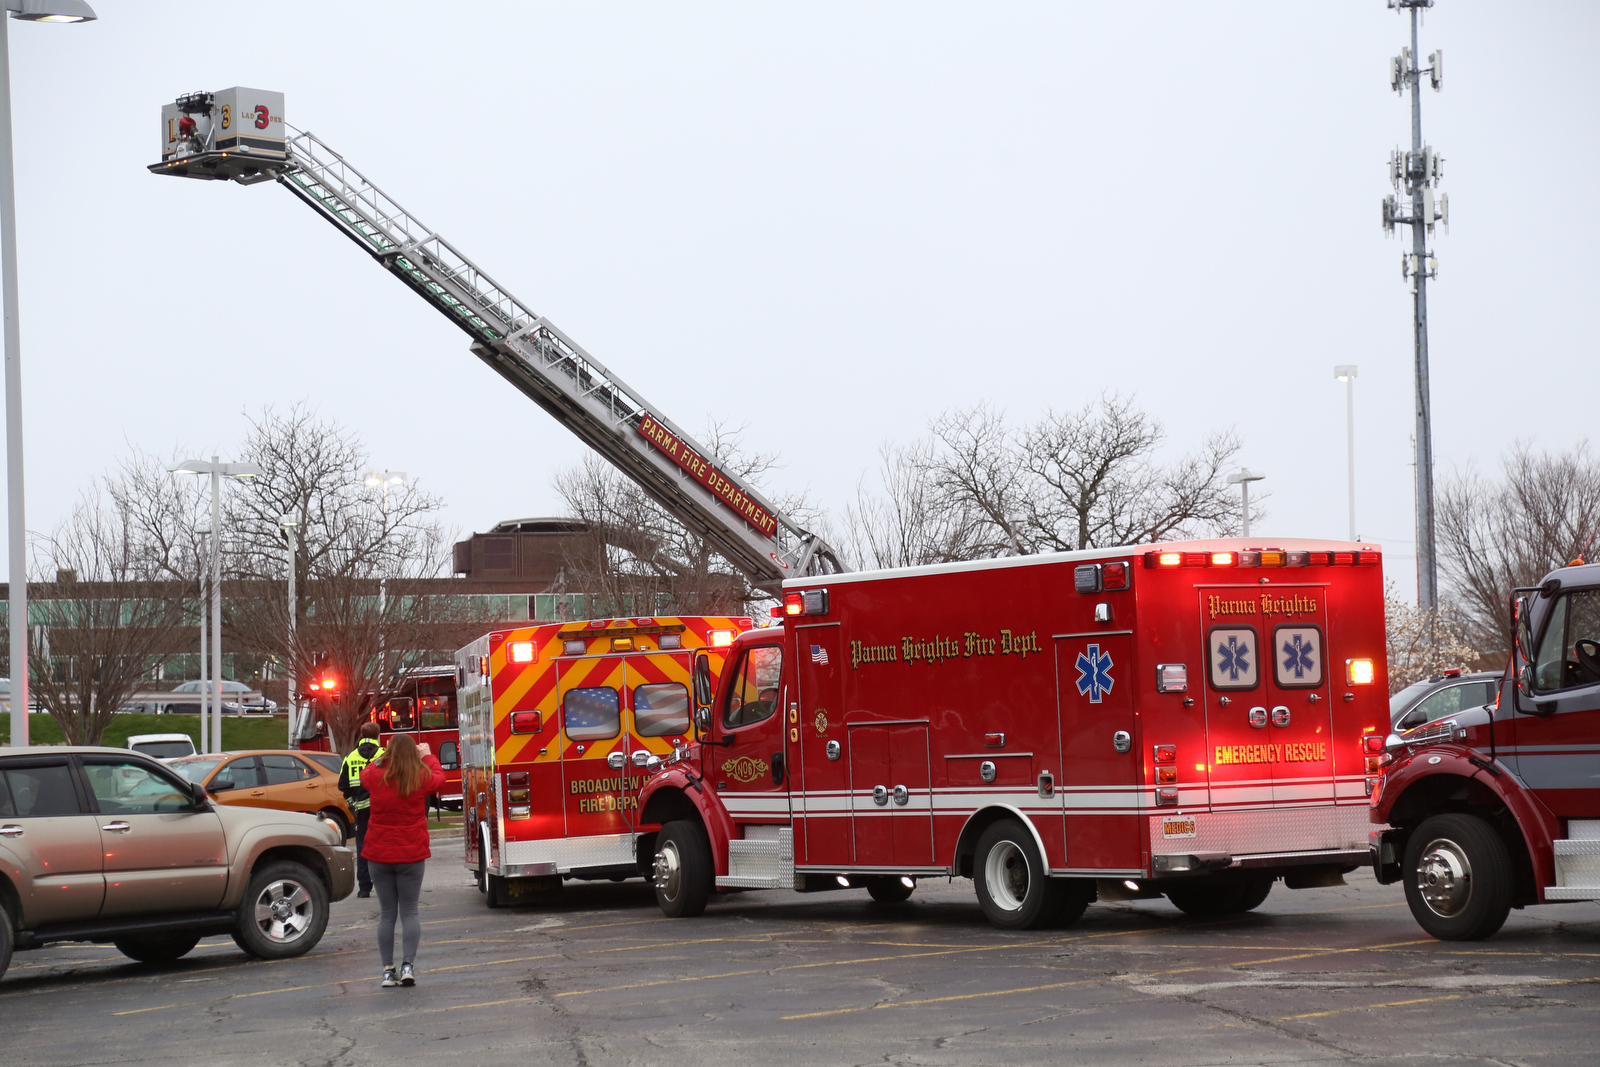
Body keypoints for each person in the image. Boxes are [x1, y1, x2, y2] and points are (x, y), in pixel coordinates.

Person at [360, 732, 446, 988]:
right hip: (411, 854)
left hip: (378, 854)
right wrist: (427, 755)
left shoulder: (376, 777)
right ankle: (408, 966)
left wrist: (384, 756)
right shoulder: (419, 778)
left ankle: (388, 970)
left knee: (387, 914)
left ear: (389, 753)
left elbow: (366, 771)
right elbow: (440, 778)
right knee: (409, 912)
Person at [339, 723, 384, 898]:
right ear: (377, 736)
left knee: (363, 847)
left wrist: (353, 806)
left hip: (361, 811)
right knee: (383, 846)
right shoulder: (385, 754)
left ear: (361, 734)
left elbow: (343, 786)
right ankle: (383, 885)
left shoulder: (350, 757)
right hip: (383, 809)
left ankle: (364, 888)